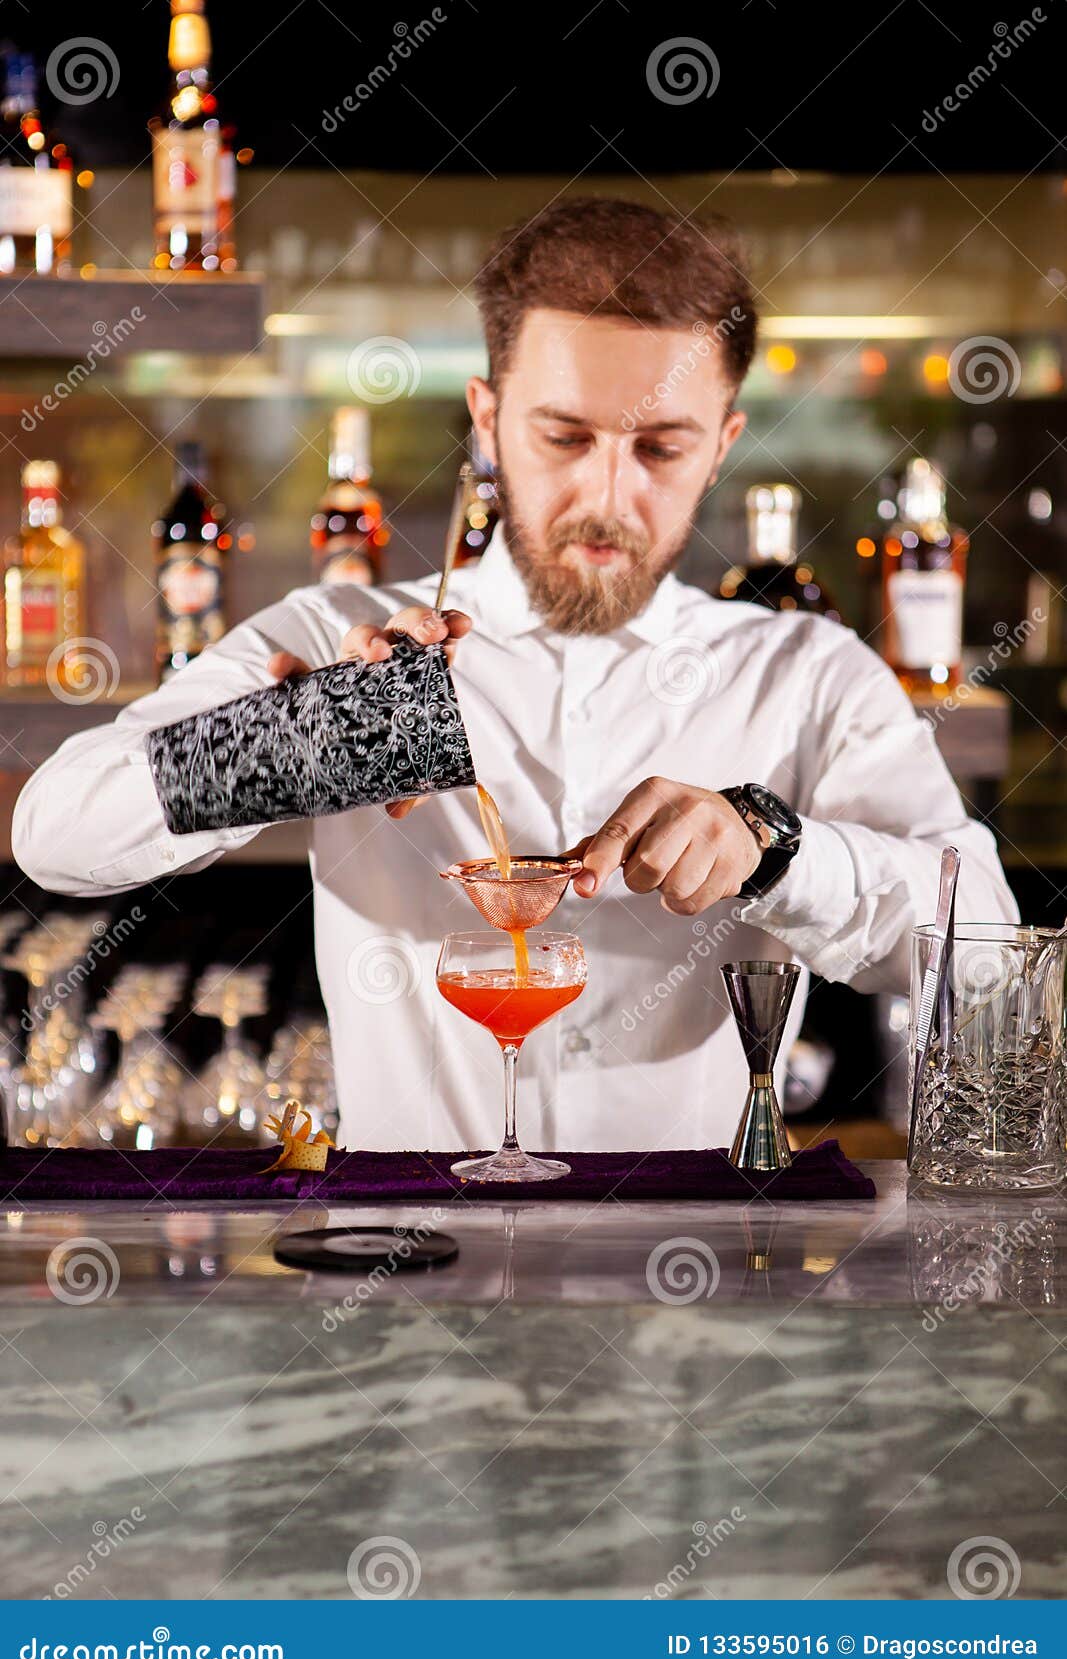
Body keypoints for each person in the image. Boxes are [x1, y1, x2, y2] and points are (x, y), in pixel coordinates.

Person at [13, 199, 1017, 1153]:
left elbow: (985, 961)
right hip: (407, 1278)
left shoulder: (801, 672)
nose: (606, 496)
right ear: (486, 422)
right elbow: (54, 834)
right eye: (562, 436)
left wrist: (772, 845)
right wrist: (292, 742)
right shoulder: (338, 635)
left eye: (659, 447)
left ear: (721, 447)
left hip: (691, 1286)